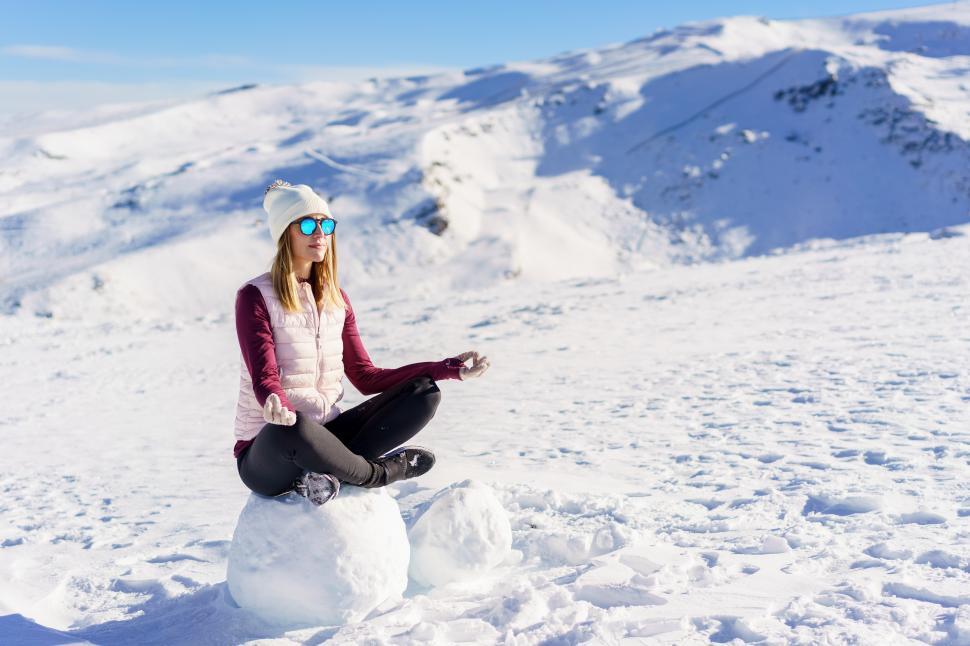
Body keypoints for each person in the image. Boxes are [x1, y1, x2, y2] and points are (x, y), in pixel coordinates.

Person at [233, 179, 490, 505]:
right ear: (285, 233)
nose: (320, 234)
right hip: (269, 450)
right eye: (308, 224)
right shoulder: (255, 297)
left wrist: (447, 370)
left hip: (328, 434)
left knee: (423, 393)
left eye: (326, 224)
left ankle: (325, 474)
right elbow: (264, 374)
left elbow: (367, 377)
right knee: (293, 427)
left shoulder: (336, 300)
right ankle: (380, 473)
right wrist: (274, 401)